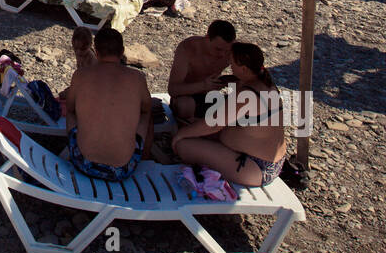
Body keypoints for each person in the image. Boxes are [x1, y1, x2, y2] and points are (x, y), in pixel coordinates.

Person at [171, 42, 288, 187]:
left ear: (244, 69)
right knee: (195, 130)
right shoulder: (266, 83)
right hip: (268, 160)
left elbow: (213, 124)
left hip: (255, 167)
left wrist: (181, 134)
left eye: (232, 65)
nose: (230, 67)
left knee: (183, 145)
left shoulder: (247, 95)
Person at [63, 27, 153, 181]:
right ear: (122, 51)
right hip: (123, 169)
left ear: (96, 52)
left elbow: (70, 108)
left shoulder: (80, 75)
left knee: (72, 114)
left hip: (84, 162)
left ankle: (84, 143)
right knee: (147, 116)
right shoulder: (137, 77)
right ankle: (145, 159)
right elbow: (146, 108)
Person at [167, 20, 237, 119]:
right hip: (187, 95)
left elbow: (250, 75)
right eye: (218, 49)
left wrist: (228, 81)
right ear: (207, 38)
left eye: (227, 50)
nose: (222, 54)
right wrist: (203, 86)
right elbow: (173, 89)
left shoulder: (234, 50)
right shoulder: (189, 48)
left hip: (212, 96)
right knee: (186, 105)